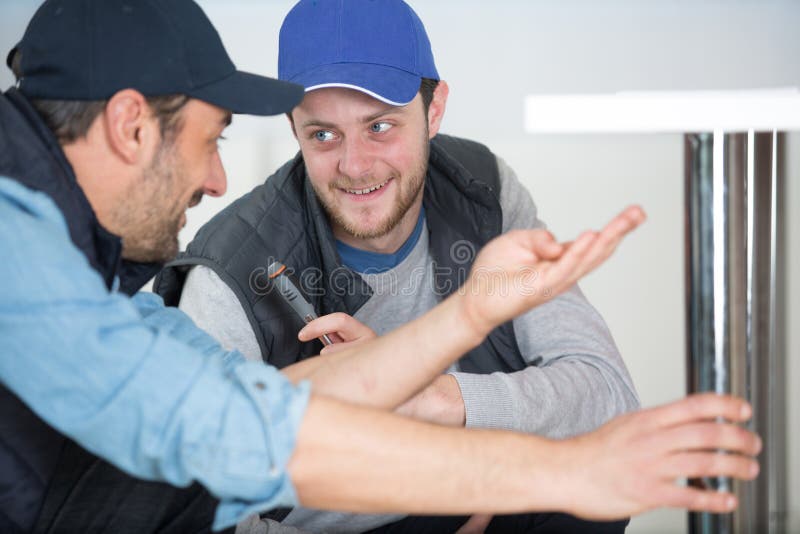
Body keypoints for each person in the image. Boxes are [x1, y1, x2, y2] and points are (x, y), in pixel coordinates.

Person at [0, 1, 761, 534]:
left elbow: (260, 398)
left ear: (433, 113)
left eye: (382, 125)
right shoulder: (18, 255)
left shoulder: (77, 266)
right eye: (213, 140)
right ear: (133, 125)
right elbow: (246, 438)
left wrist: (468, 318)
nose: (216, 181)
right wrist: (558, 472)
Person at [158, 1, 636, 531]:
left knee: (593, 492)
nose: (355, 165)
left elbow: (606, 394)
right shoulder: (228, 272)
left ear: (434, 112)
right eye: (322, 134)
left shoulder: (484, 191)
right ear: (294, 130)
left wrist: (436, 401)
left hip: (477, 492)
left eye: (380, 126)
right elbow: (198, 516)